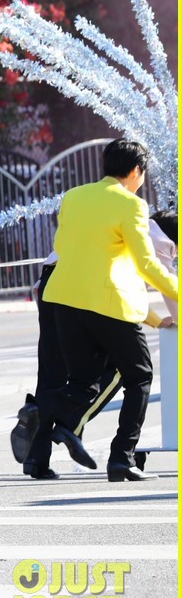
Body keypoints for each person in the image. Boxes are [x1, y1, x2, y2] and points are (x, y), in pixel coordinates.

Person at [36, 139, 178, 482]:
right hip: (108, 303)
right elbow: (146, 264)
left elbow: (63, 247)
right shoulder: (132, 205)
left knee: (84, 381)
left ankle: (42, 413)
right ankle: (121, 458)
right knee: (139, 377)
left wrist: (154, 318)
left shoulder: (74, 197)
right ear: (136, 171)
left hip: (63, 300)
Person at [15, 212, 176, 478]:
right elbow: (167, 284)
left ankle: (37, 457)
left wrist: (156, 321)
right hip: (87, 291)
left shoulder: (111, 219)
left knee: (52, 374)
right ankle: (70, 423)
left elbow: (128, 288)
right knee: (122, 368)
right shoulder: (158, 237)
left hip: (52, 283)